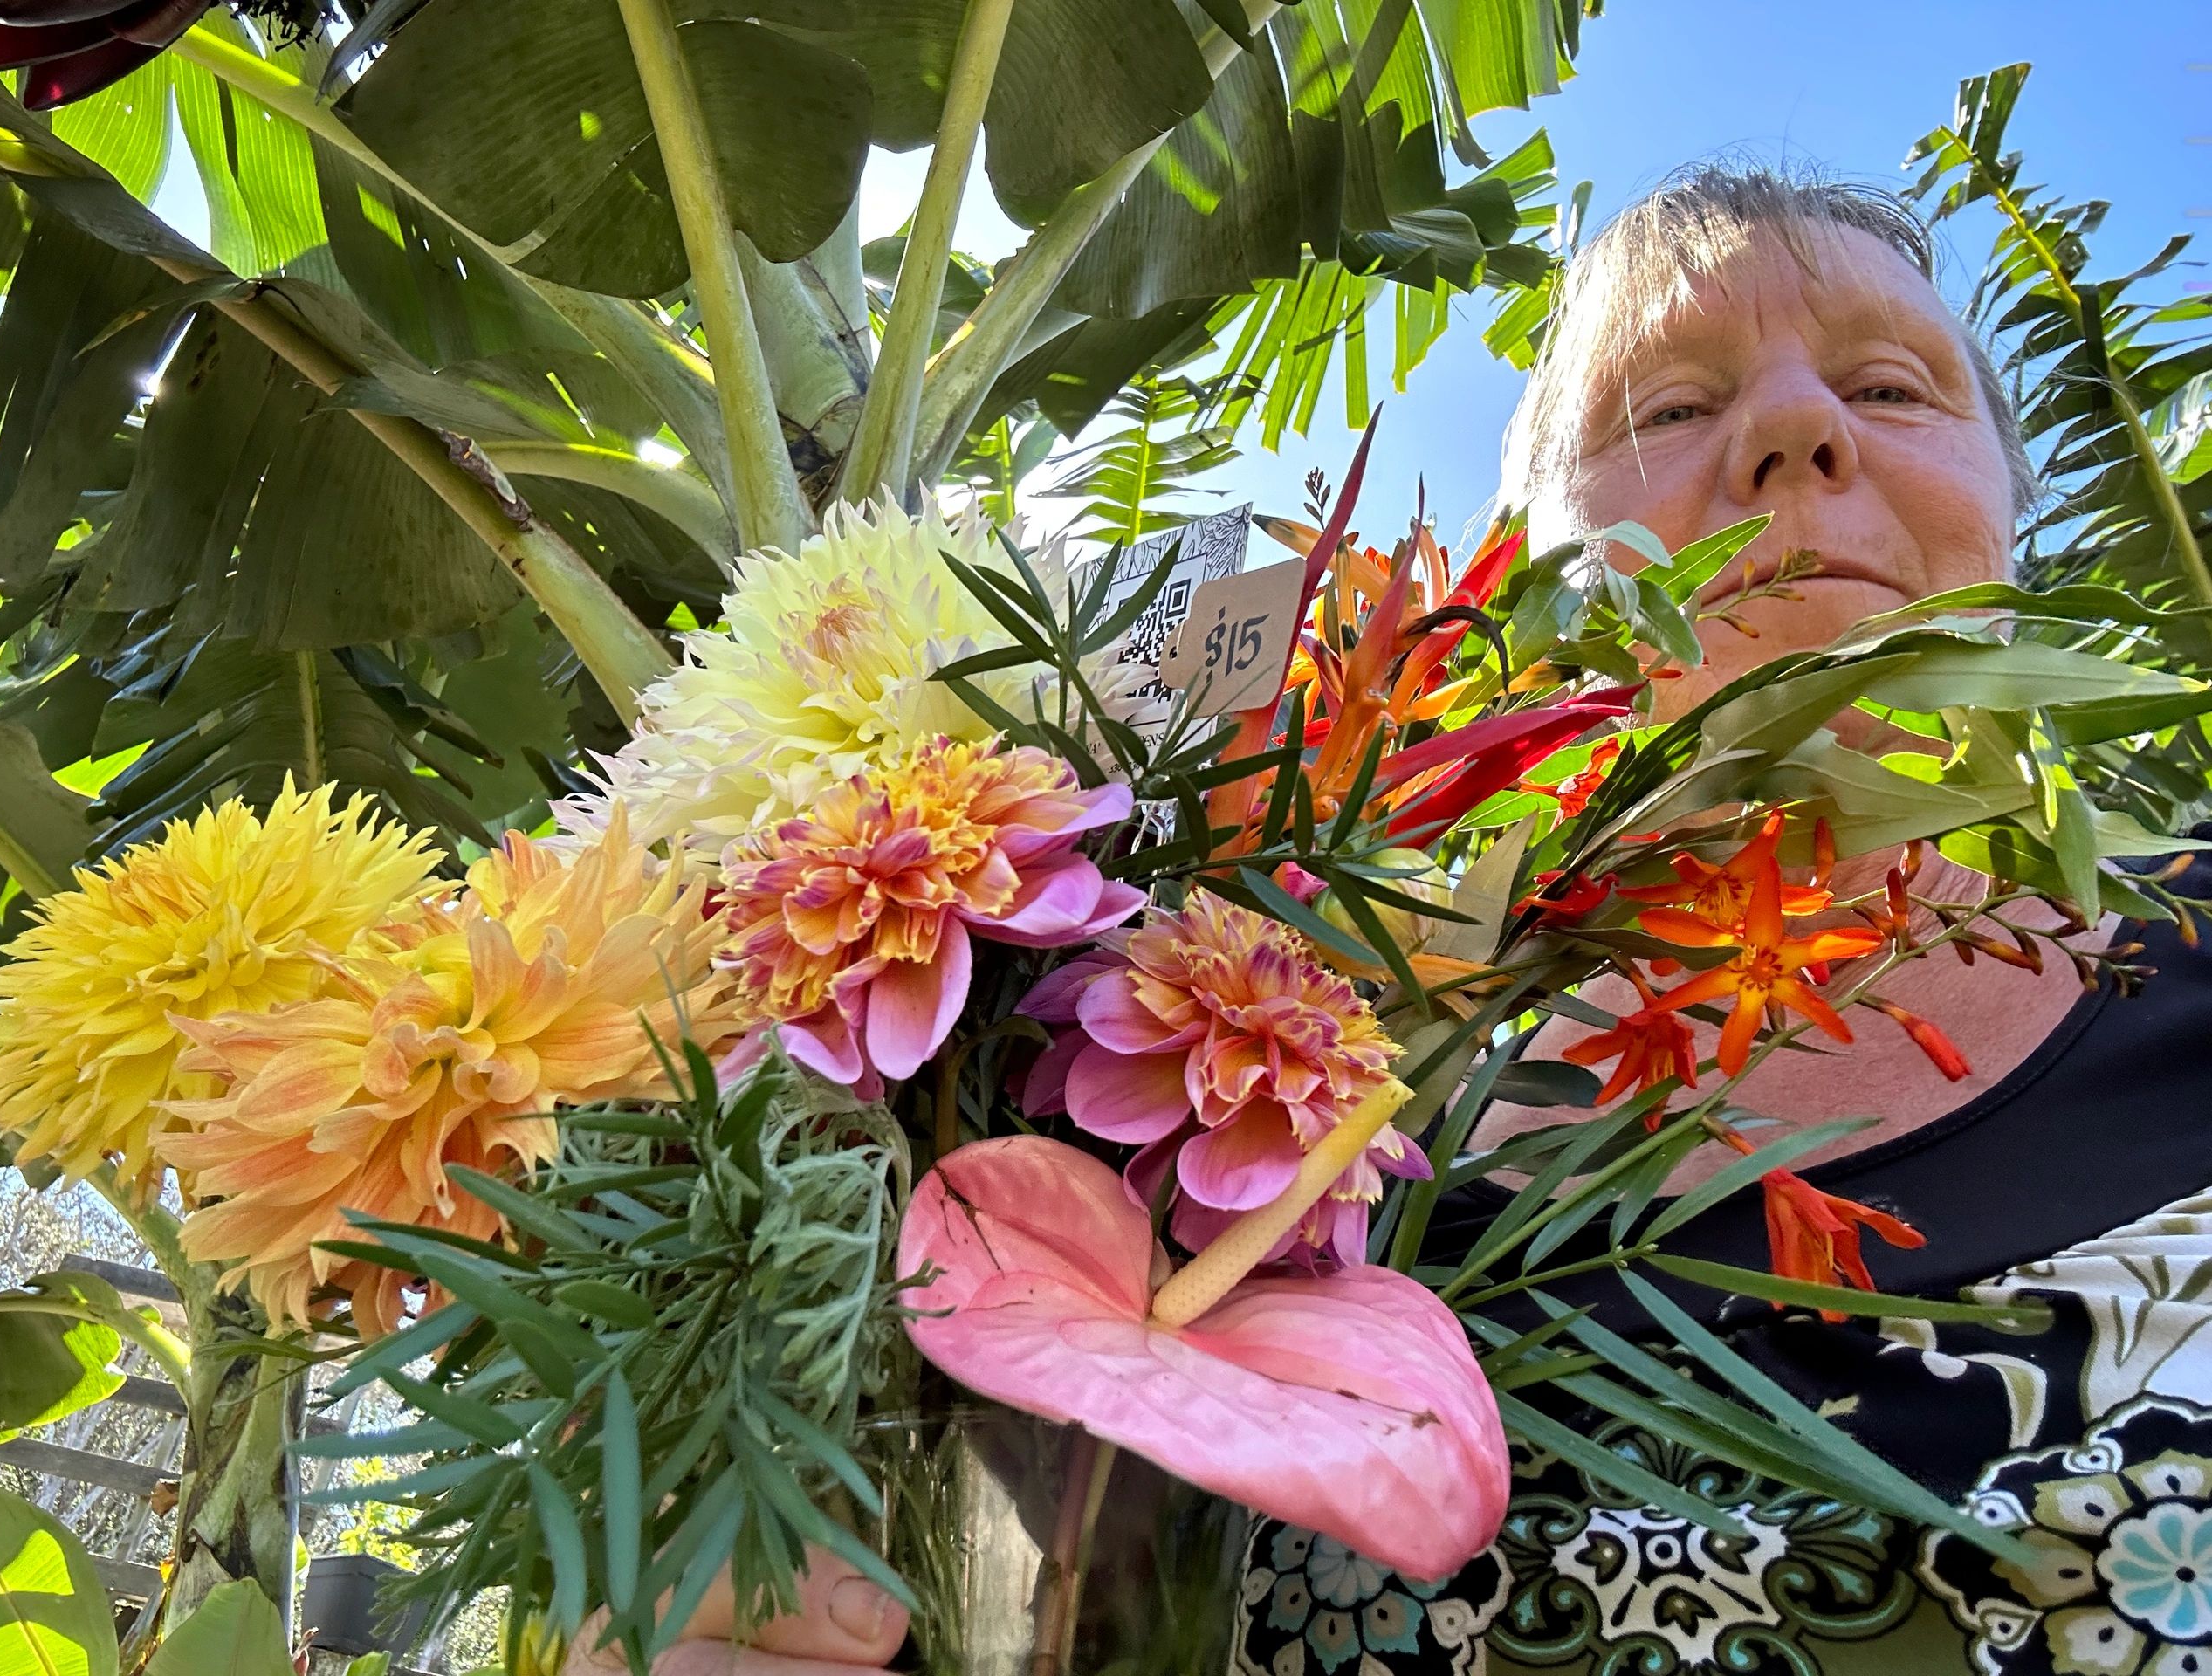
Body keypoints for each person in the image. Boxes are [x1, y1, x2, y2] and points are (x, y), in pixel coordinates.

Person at [573, 164, 2212, 1676]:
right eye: (1673, 403)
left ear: (2010, 506)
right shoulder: (1278, 1141)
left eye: (1889, 387)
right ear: (1521, 573)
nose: (1797, 431)